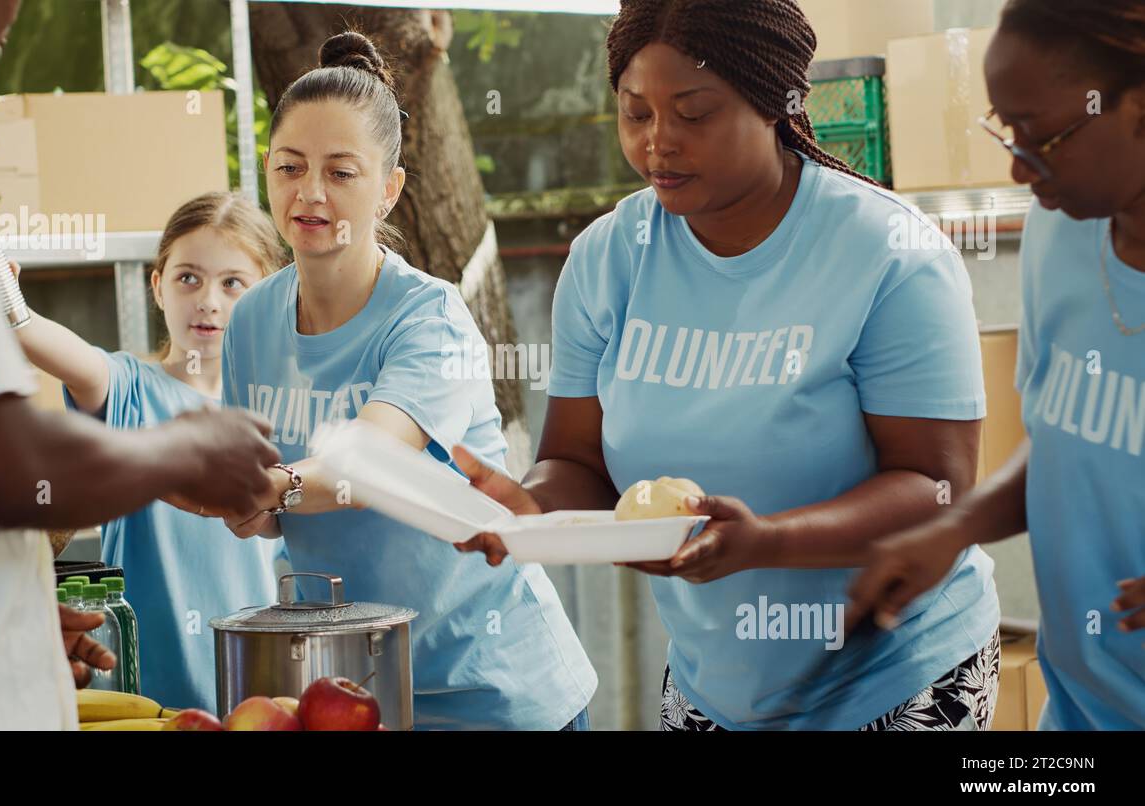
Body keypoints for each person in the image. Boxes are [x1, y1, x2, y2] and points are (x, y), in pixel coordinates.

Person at [456, 0, 1000, 730]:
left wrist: (767, 541)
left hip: (894, 675)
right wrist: (530, 509)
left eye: (693, 111)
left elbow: (938, 484)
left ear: (774, 103)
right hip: (717, 687)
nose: (658, 143)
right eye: (636, 112)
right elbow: (576, 461)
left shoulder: (888, 253)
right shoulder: (606, 260)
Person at [0, 0, 278, 729]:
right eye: (190, 278)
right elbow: (4, 461)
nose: (17, 10)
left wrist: (9, 617)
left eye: (234, 282)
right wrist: (187, 446)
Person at [220, 32, 597, 730]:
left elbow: (368, 466)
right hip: (358, 691)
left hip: (494, 692)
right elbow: (270, 495)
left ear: (389, 189)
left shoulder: (432, 319)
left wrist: (269, 486)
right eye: (290, 166)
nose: (309, 192)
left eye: (341, 172)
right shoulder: (251, 323)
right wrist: (243, 499)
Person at [848, 0, 1145, 731]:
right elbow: (1061, 441)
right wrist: (953, 528)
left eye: (1043, 136)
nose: (1017, 164)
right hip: (1081, 710)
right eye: (1005, 130)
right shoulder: (1061, 232)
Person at [13, 191, 289, 711]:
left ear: (267, 294)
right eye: (189, 277)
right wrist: (10, 307)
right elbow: (69, 355)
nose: (208, 299)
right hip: (142, 692)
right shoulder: (126, 387)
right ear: (158, 287)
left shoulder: (275, 409)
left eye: (233, 283)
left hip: (256, 687)